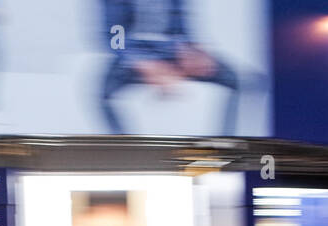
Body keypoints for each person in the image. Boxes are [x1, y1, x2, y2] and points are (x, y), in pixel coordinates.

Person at [100, 0, 243, 135]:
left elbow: (181, 23)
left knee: (235, 80)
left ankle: (224, 146)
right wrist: (144, 64)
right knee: (104, 95)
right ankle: (128, 147)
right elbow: (114, 38)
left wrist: (189, 50)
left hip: (172, 51)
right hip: (133, 55)